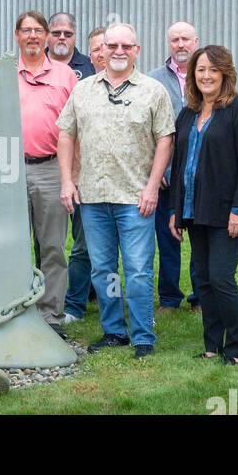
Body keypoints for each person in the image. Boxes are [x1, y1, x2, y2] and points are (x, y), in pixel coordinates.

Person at [57, 24, 174, 359]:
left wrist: (153, 186)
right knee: (104, 269)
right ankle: (114, 331)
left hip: (136, 198)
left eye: (126, 45)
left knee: (137, 269)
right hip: (93, 197)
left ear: (137, 50)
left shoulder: (153, 91)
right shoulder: (83, 91)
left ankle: (142, 335)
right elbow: (66, 134)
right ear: (102, 50)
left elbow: (166, 138)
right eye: (112, 46)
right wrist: (67, 180)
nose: (119, 51)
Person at [168, 45, 238, 365]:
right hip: (195, 210)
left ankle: (236, 349)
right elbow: (180, 166)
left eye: (212, 70)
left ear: (225, 74)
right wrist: (176, 211)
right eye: (200, 70)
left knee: (222, 278)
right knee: (203, 279)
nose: (206, 75)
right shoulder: (188, 113)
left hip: (227, 211)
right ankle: (211, 345)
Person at [15, 11, 79, 335]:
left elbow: (76, 128)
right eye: (26, 30)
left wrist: (73, 174)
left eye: (38, 30)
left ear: (47, 37)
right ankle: (14, 312)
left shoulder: (66, 76)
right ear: (17, 35)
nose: (32, 36)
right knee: (13, 245)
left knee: (52, 245)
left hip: (52, 167)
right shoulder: (6, 74)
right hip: (12, 169)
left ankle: (51, 316)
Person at [147, 21, 201, 314]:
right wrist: (160, 171)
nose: (180, 45)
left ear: (196, 41)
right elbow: (147, 130)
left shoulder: (208, 76)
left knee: (200, 236)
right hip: (167, 176)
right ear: (169, 44)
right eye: (175, 40)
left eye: (185, 39)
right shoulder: (153, 80)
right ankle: (169, 298)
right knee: (167, 239)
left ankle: (200, 296)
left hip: (199, 175)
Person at [62, 25, 108, 323]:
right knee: (83, 247)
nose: (103, 52)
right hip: (87, 182)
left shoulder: (144, 89)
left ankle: (116, 305)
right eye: (96, 49)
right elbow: (69, 134)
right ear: (90, 56)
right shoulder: (83, 91)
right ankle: (74, 307)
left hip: (128, 185)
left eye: (108, 45)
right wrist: (73, 175)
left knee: (130, 254)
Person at [46, 12, 96, 80]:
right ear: (47, 35)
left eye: (68, 34)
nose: (62, 37)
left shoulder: (91, 66)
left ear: (75, 36)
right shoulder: (34, 64)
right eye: (56, 33)